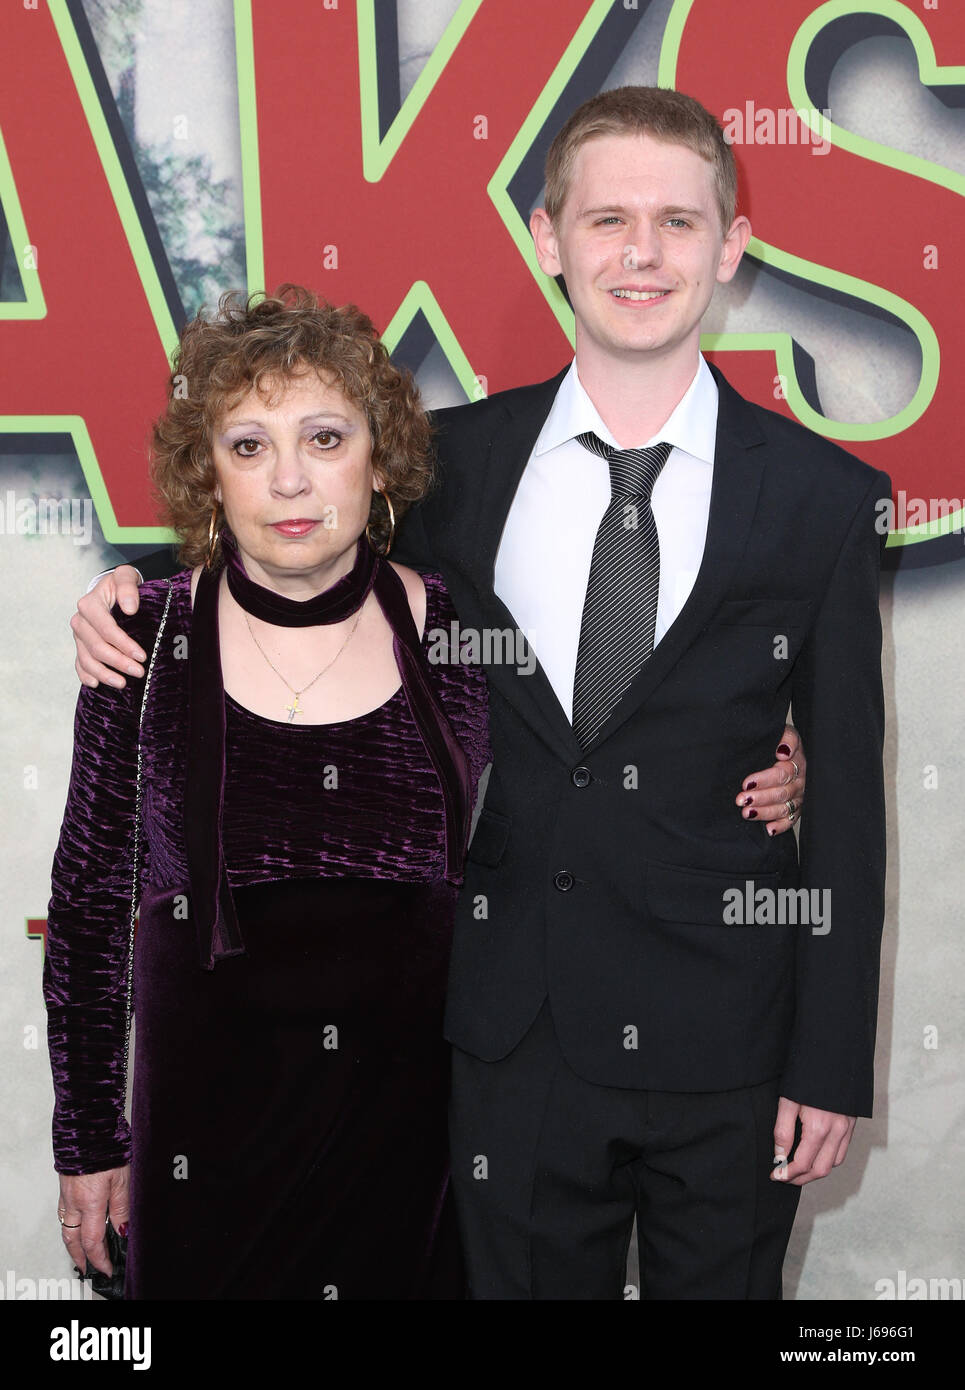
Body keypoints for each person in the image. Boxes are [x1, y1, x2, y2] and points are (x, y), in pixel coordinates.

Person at [68, 89, 832, 1301]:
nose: (640, 253)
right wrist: (135, 591)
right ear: (546, 239)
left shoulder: (817, 492)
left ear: (729, 246)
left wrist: (793, 793)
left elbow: (835, 798)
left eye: (677, 222)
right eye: (607, 220)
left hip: (696, 1039)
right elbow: (287, 538)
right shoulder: (467, 464)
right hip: (494, 1053)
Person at [46, 287, 492, 1299]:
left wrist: (773, 757)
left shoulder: (460, 635)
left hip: (411, 1166)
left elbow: (589, 788)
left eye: (324, 437)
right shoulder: (139, 638)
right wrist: (86, 1141)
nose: (289, 479)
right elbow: (83, 913)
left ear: (378, 463)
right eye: (248, 446)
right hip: (199, 1168)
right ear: (210, 476)